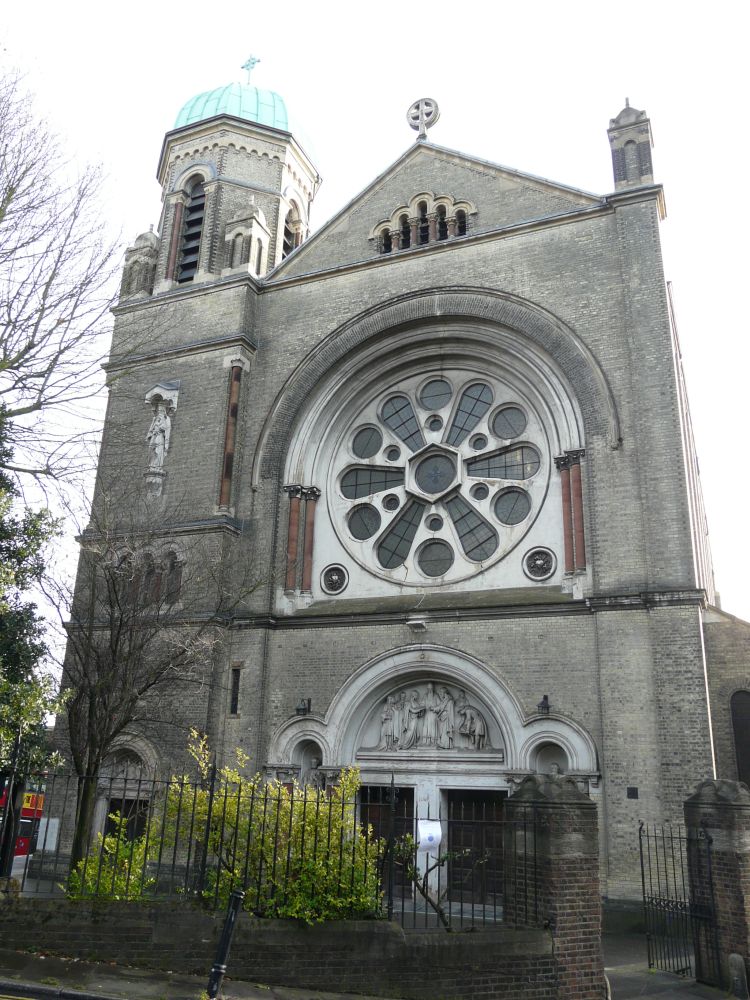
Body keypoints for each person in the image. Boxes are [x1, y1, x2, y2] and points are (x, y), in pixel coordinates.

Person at [146, 401, 171, 469]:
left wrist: (160, 428)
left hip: (160, 436)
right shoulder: (155, 419)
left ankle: (157, 465)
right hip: (154, 436)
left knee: (158, 449)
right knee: (151, 449)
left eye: (161, 410)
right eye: (158, 410)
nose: (159, 412)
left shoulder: (166, 419)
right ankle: (152, 464)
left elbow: (166, 429)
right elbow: (151, 429)